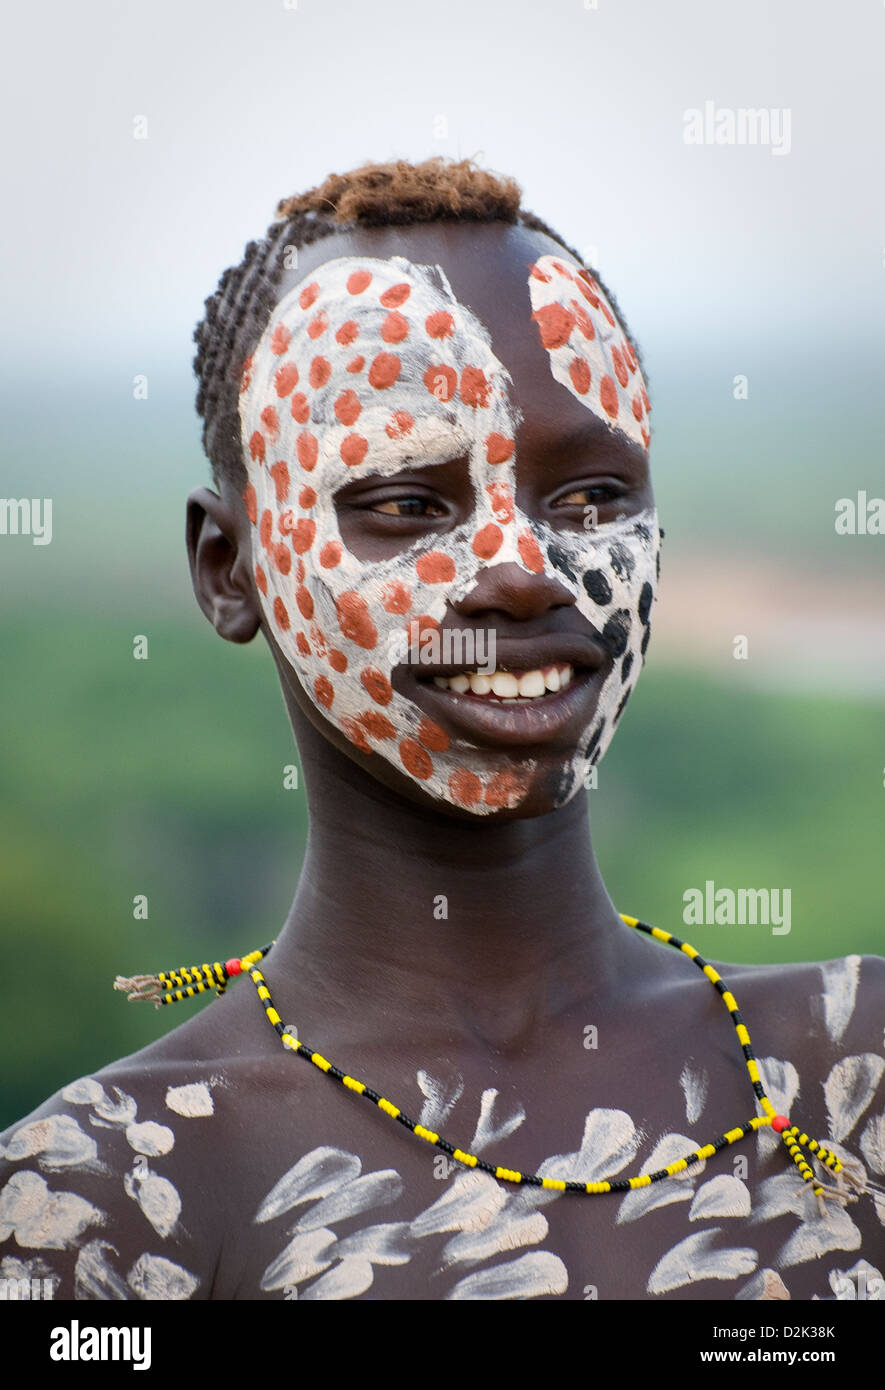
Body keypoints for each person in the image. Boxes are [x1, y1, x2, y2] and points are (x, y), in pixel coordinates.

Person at [1, 157, 882, 1303]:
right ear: (231, 568)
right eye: (410, 503)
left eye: (591, 498)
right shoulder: (105, 1202)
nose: (523, 573)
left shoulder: (850, 1072)